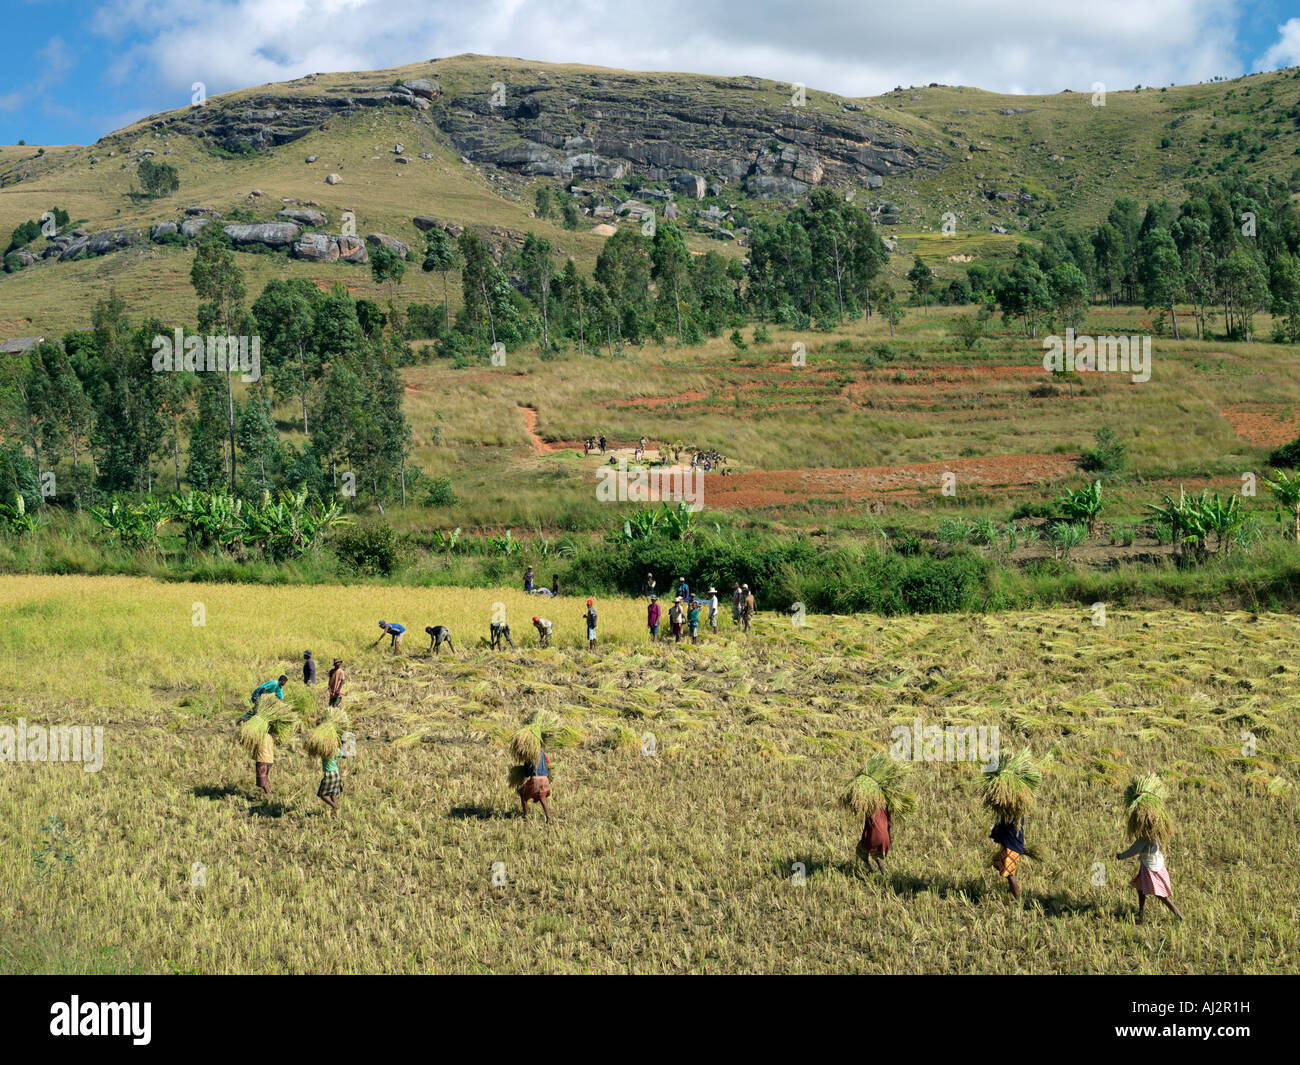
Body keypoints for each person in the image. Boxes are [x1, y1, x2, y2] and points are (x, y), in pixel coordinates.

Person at [1117, 836, 1184, 923]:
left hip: (1150, 868)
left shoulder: (1144, 838)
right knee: (1140, 888)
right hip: (1155, 863)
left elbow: (1134, 850)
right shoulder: (1155, 835)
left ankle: (1179, 915)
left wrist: (1121, 856)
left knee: (1160, 894)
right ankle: (1141, 912)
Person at [990, 816, 1026, 899]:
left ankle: (1017, 898)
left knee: (1009, 874)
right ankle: (1011, 891)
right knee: (998, 864)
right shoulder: (1016, 812)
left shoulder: (1013, 812)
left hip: (1011, 846)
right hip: (1009, 844)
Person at [519, 747, 552, 822]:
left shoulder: (530, 754)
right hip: (545, 779)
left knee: (522, 794)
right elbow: (548, 764)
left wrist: (523, 771)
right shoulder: (542, 753)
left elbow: (526, 773)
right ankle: (549, 818)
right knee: (542, 798)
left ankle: (526, 816)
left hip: (536, 779)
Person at [857, 807, 891, 874]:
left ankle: (872, 868)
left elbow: (867, 824)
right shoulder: (885, 807)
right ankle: (884, 873)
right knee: (876, 854)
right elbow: (889, 823)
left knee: (860, 851)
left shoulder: (869, 808)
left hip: (874, 837)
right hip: (885, 838)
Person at [318, 739, 345, 815]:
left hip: (329, 774)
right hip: (336, 774)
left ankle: (334, 806)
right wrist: (342, 746)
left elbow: (317, 750)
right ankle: (335, 814)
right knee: (333, 794)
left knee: (323, 795)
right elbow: (344, 756)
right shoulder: (336, 750)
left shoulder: (324, 750)